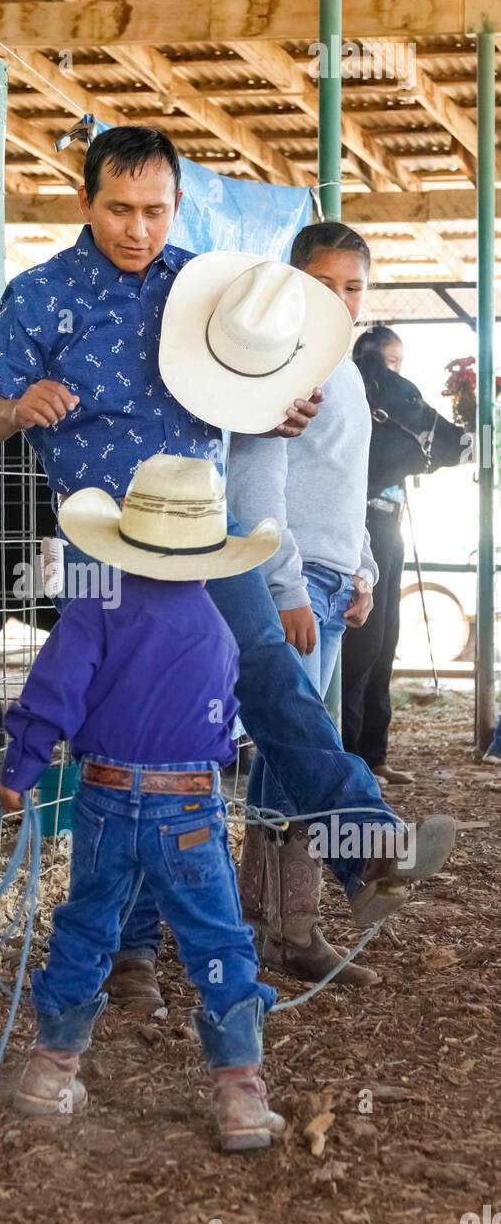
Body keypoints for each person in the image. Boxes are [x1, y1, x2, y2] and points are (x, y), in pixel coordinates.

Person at [0, 125, 455, 1011]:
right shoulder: (38, 296)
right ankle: (128, 953)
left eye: (154, 211)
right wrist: (16, 407)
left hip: (202, 526)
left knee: (270, 677)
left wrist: (274, 414)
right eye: (118, 208)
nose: (137, 228)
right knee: (126, 738)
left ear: (175, 207)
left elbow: (244, 397)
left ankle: (368, 845)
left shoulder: (202, 285)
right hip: (98, 539)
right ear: (85, 201)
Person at [0, 455, 284, 1151]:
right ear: (210, 552)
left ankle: (47, 1071)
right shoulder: (216, 629)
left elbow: (55, 686)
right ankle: (240, 1096)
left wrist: (21, 766)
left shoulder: (96, 605)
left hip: (100, 796)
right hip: (186, 805)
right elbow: (223, 731)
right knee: (215, 937)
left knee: (87, 922)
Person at [228, 222, 381, 987]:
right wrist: (285, 586)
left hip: (331, 578)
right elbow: (255, 490)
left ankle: (278, 927)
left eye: (351, 287)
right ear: (293, 287)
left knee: (285, 761)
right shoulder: (281, 366)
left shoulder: (343, 369)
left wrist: (365, 568)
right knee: (292, 748)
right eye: (322, 285)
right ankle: (287, 927)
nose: (339, 300)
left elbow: (341, 489)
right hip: (294, 582)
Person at [342, 326, 415, 786]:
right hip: (360, 524)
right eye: (389, 362)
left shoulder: (398, 409)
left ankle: (375, 753)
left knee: (386, 637)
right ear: (367, 361)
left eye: (400, 363)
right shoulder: (357, 400)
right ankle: (350, 756)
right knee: (361, 643)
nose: (395, 372)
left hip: (391, 526)